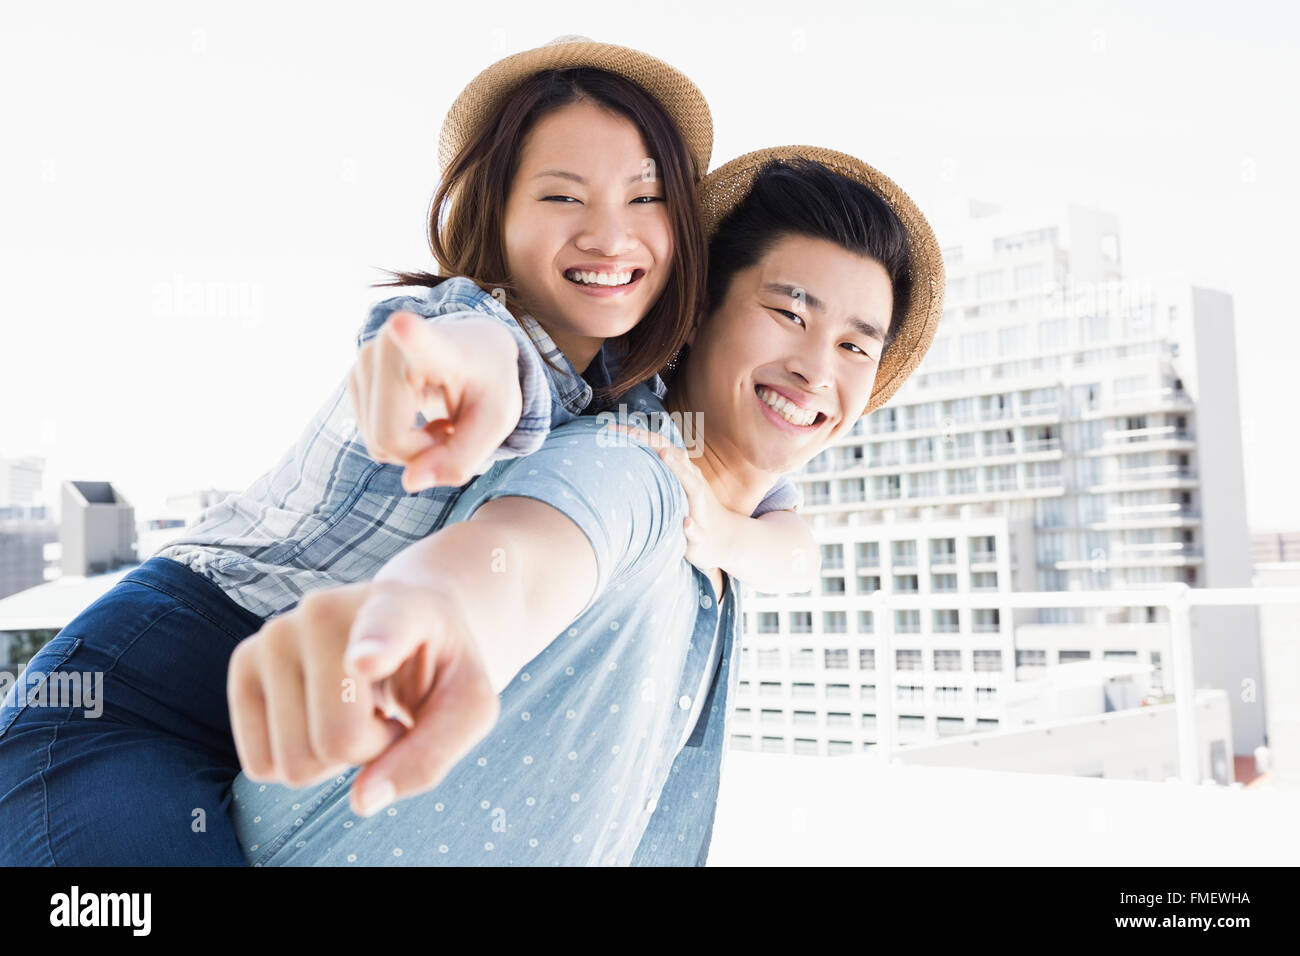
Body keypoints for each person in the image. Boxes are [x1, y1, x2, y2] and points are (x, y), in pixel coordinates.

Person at [0, 37, 811, 866]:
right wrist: (451, 378)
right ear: (496, 219)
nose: (610, 235)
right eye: (563, 196)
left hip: (312, 715)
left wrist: (726, 531)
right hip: (147, 690)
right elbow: (477, 360)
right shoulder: (470, 323)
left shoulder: (634, 403)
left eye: (645, 198)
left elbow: (791, 533)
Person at [224, 145, 945, 866]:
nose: (818, 368)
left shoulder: (734, 536)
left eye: (856, 346)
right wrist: (430, 623)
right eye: (789, 314)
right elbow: (523, 564)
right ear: (695, 313)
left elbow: (795, 553)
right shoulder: (632, 466)